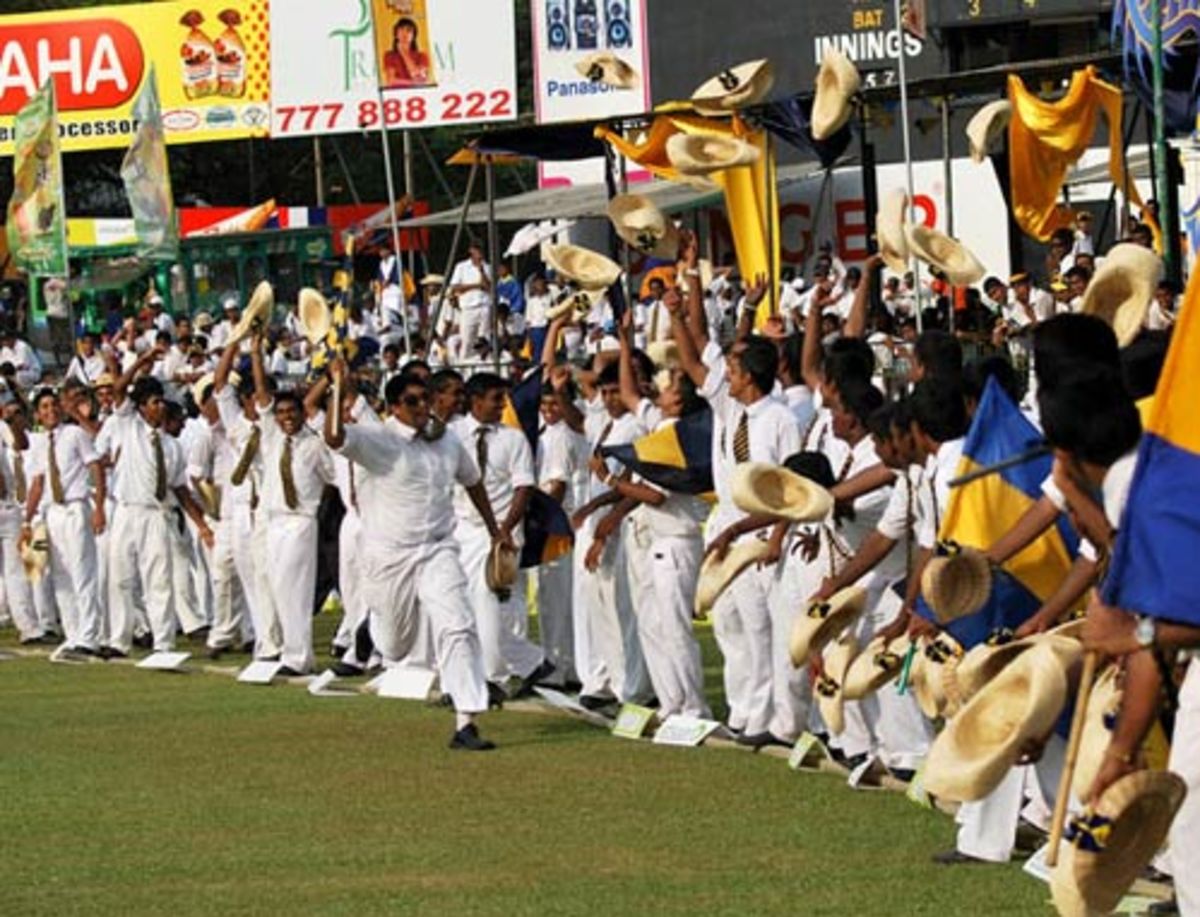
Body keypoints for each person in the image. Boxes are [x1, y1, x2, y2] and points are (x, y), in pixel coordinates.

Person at [324, 363, 499, 751]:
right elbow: (335, 437)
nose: (422, 407)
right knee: (395, 646)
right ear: (394, 407)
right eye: (412, 401)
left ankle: (466, 720)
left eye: (425, 399)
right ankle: (371, 628)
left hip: (438, 548)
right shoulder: (379, 439)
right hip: (389, 557)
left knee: (458, 625)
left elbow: (472, 481)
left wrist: (495, 529)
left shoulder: (447, 439)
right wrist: (336, 385)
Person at [102, 351, 214, 657]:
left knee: (159, 579)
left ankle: (164, 642)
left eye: (161, 401)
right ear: (141, 407)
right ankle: (119, 641)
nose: (160, 406)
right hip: (127, 509)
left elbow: (180, 489)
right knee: (121, 577)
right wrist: (143, 361)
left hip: (156, 514)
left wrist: (201, 524)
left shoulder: (172, 446)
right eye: (154, 402)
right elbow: (118, 389)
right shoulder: (129, 427)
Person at [451, 372, 551, 694]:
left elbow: (524, 486)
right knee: (466, 606)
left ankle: (494, 678)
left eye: (504, 399)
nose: (502, 406)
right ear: (475, 400)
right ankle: (532, 661)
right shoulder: (453, 434)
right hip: (462, 529)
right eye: (496, 399)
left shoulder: (513, 438)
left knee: (487, 601)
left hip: (501, 535)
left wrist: (504, 529)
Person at [243, 331, 334, 676]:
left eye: (291, 411)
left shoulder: (314, 443)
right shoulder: (272, 436)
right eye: (281, 412)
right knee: (279, 588)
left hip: (299, 520)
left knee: (295, 590)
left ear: (302, 413)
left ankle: (298, 657)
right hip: (273, 521)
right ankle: (291, 652)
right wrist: (255, 353)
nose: (286, 417)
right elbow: (262, 395)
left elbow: (333, 478)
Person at [21, 388, 106, 659]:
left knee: (83, 571)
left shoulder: (75, 434)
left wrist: (99, 507)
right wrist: (27, 520)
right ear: (37, 414)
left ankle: (90, 636)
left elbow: (95, 467)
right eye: (44, 407)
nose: (51, 411)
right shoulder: (39, 443)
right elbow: (37, 484)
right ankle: (73, 634)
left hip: (75, 507)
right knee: (60, 576)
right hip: (52, 512)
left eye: (54, 405)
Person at [449, 242, 493, 361]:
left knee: (484, 339)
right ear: (471, 251)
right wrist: (476, 285)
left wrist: (482, 271)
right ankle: (463, 365)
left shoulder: (487, 267)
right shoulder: (461, 267)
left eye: (480, 250)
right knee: (467, 340)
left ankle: (483, 363)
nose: (479, 252)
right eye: (476, 249)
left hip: (484, 306)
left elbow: (489, 287)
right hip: (468, 308)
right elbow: (455, 287)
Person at [382, 16, 430, 87]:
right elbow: (391, 81)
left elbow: (418, 76)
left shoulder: (422, 56)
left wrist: (403, 53)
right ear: (396, 34)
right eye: (401, 29)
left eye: (409, 30)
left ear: (413, 36)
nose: (404, 33)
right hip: (397, 92)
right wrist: (413, 83)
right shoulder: (389, 56)